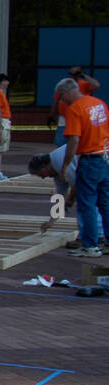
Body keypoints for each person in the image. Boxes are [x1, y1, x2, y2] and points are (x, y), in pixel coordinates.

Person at [56, 76, 109, 258]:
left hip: (88, 159)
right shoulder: (99, 103)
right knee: (105, 202)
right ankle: (107, 241)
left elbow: (74, 139)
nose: (62, 102)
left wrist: (65, 166)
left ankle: (91, 245)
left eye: (61, 98)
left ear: (65, 94)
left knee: (87, 205)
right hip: (104, 157)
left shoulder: (75, 109)